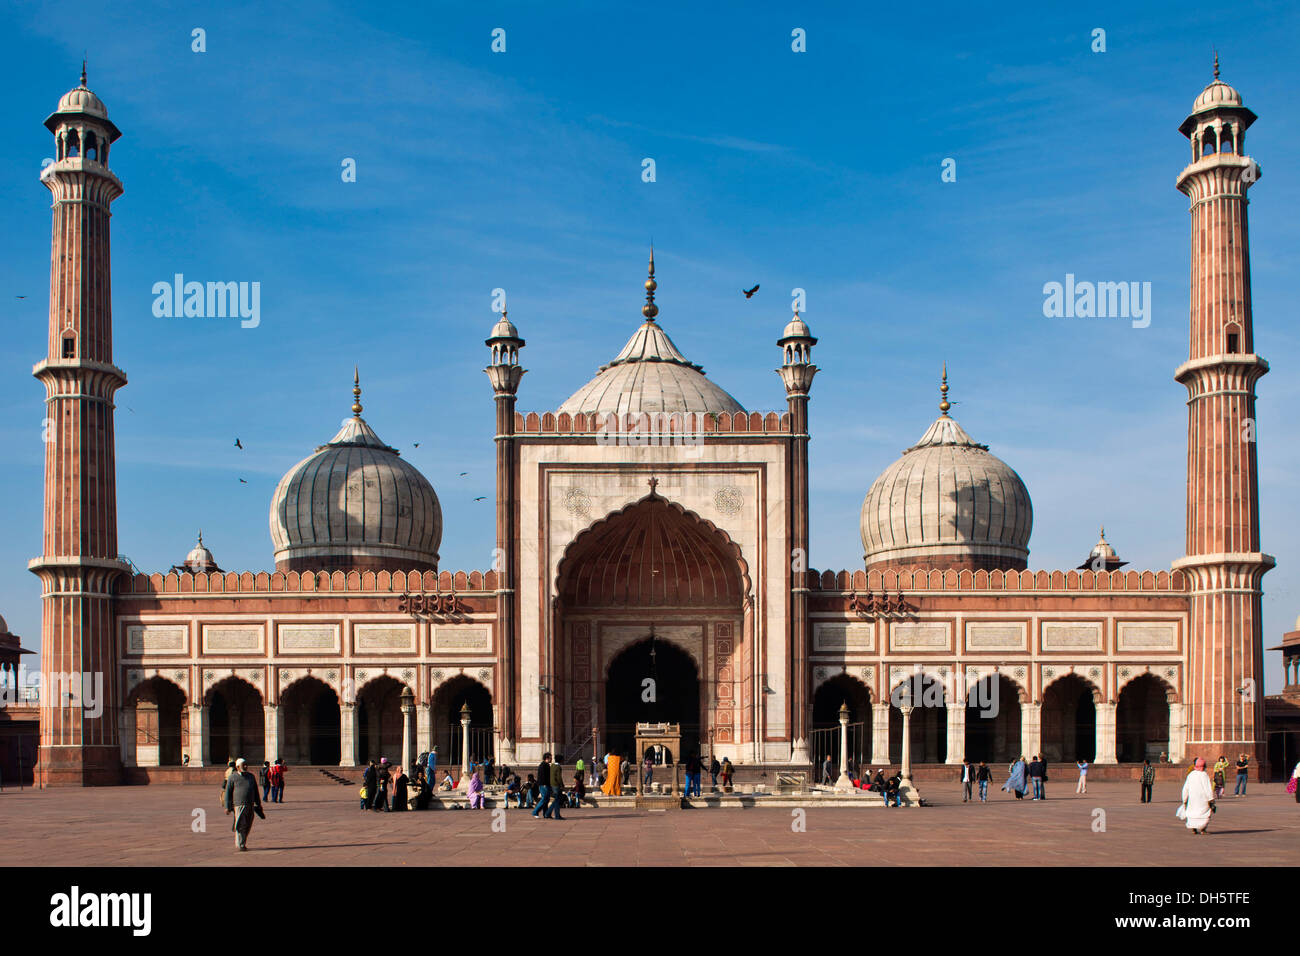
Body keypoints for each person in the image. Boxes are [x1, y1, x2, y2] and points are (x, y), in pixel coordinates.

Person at [223, 757, 265, 852]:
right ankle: (240, 844)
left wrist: (258, 804)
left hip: (250, 804)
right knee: (241, 824)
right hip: (238, 804)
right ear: (238, 767)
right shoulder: (233, 777)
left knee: (248, 824)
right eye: (243, 765)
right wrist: (227, 806)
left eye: (246, 764)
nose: (246, 766)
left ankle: (242, 841)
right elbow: (228, 793)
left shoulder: (251, 776)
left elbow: (255, 791)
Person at [1180, 757, 1215, 834]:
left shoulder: (1191, 775)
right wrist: (1211, 799)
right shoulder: (1204, 775)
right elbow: (1207, 788)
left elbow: (1186, 788)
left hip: (1192, 799)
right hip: (1203, 799)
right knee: (1204, 813)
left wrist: (1184, 799)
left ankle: (1194, 829)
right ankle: (1203, 830)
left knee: (1193, 813)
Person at [533, 753, 553, 818]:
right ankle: (535, 812)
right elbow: (542, 776)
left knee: (546, 799)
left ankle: (546, 814)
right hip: (544, 785)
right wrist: (544, 784)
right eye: (550, 758)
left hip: (545, 784)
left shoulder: (545, 765)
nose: (551, 759)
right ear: (547, 758)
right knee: (544, 799)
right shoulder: (543, 765)